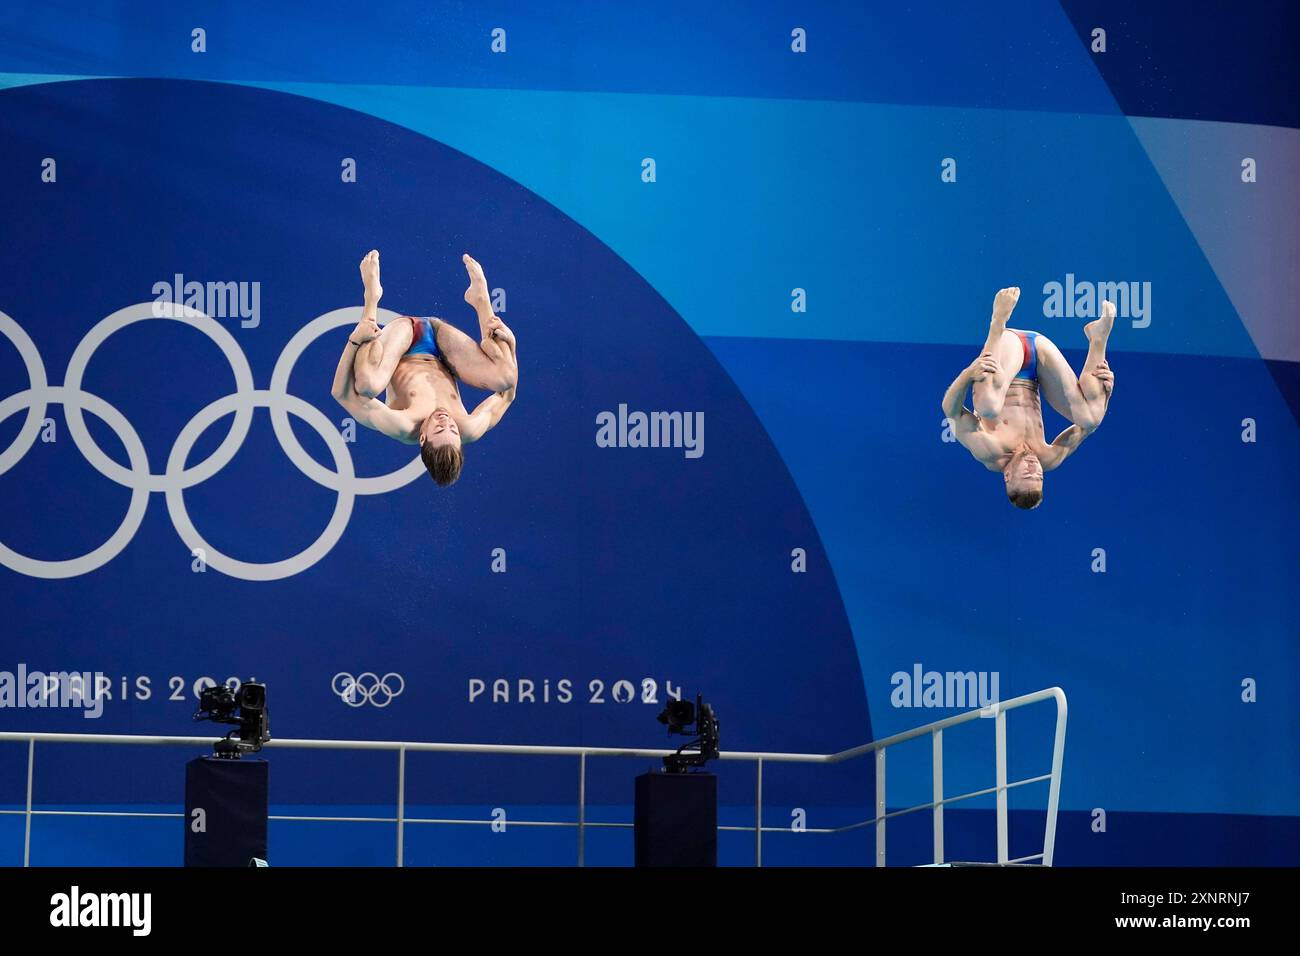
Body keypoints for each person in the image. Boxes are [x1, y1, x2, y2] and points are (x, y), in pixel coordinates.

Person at [330, 250, 518, 486]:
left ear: (422, 438)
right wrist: (511, 345)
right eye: (453, 430)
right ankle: (481, 301)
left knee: (368, 384)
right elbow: (508, 396)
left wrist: (355, 341)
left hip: (404, 340)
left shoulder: (402, 424)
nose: (446, 421)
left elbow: (342, 394)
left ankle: (371, 301)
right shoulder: (470, 427)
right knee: (505, 377)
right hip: (441, 343)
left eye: (439, 430)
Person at [941, 287, 1114, 509]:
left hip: (1006, 352)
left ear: (1008, 476)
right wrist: (1106, 392)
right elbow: (1087, 429)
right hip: (1038, 360)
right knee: (1091, 417)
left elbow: (950, 410)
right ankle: (1098, 339)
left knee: (988, 407)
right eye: (1039, 477)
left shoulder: (989, 450)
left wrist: (969, 373)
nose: (1034, 469)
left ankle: (997, 322)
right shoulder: (1049, 458)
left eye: (1027, 475)